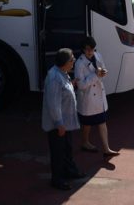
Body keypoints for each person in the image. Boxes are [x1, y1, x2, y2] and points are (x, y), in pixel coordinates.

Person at [42, 47, 83, 191]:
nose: (74, 61)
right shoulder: (54, 78)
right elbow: (53, 104)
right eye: (72, 60)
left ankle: (69, 171)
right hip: (58, 125)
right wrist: (59, 124)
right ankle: (57, 179)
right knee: (58, 153)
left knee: (67, 149)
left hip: (66, 123)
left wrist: (72, 85)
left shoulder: (62, 73)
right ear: (65, 62)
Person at [75, 36, 120, 159]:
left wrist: (103, 72)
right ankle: (85, 142)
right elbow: (81, 85)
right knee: (87, 124)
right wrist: (96, 75)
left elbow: (102, 69)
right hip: (88, 99)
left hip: (98, 96)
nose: (90, 52)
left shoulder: (98, 55)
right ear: (83, 49)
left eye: (92, 49)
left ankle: (106, 149)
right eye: (88, 49)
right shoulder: (79, 64)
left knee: (101, 122)